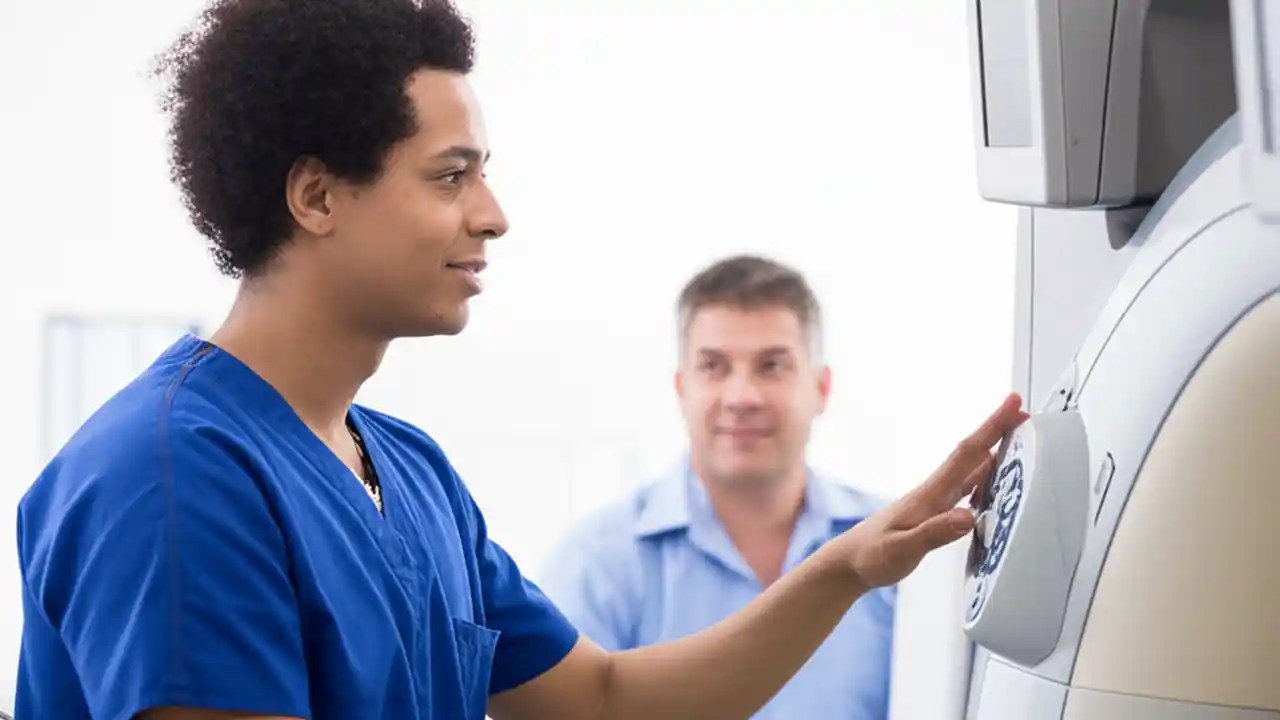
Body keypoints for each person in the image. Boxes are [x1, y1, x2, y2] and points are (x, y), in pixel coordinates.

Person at [13, 1, 1027, 719]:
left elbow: (603, 699)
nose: (491, 217)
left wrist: (844, 569)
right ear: (316, 196)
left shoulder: (409, 476)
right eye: (450, 177)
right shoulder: (174, 476)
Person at [541, 255, 896, 719]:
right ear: (681, 388)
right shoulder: (598, 563)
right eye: (713, 367)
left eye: (772, 366)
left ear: (821, 387)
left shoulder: (895, 557)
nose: (742, 396)